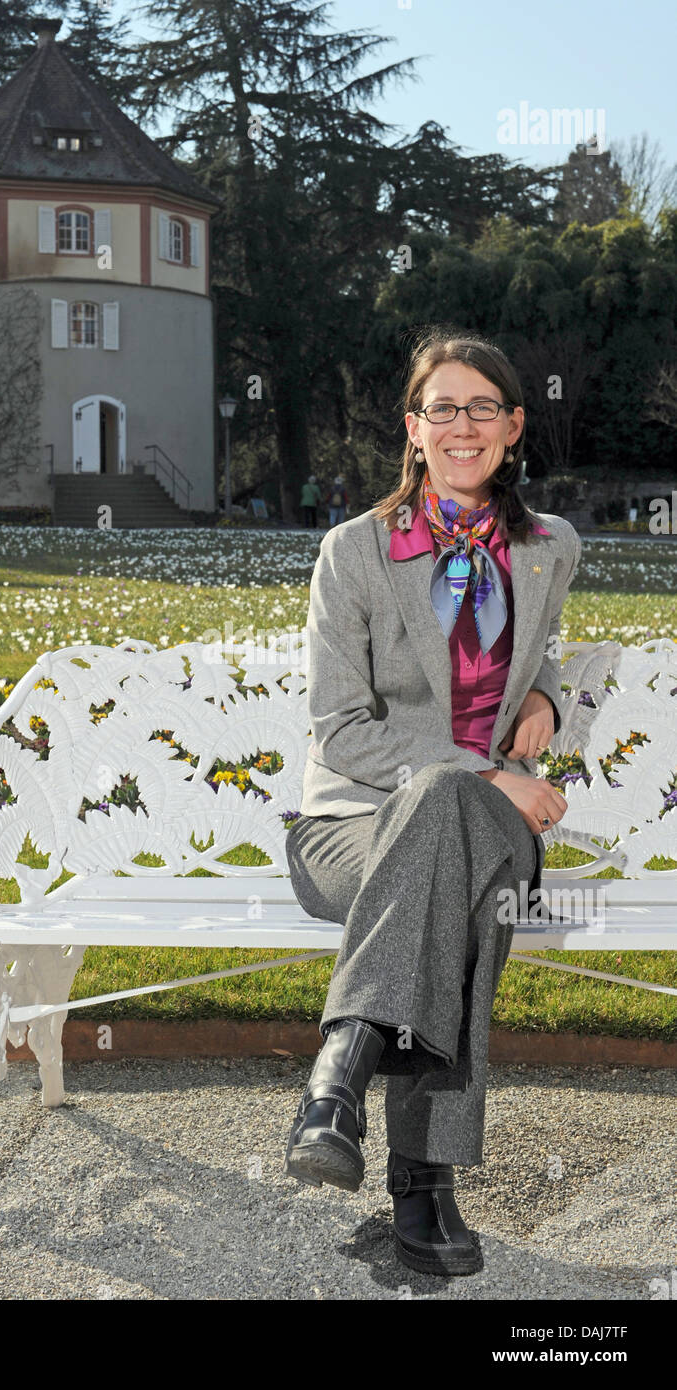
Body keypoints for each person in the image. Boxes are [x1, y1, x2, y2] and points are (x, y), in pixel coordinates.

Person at [282, 330, 581, 1278]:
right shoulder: (354, 553)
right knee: (453, 841)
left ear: (514, 426)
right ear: (413, 430)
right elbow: (341, 728)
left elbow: (550, 652)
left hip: (489, 825)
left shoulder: (547, 548)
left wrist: (550, 696)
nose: (463, 425)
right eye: (441, 408)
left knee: (459, 834)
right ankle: (424, 1184)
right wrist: (485, 773)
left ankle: (342, 1074)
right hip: (349, 827)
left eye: (484, 407)